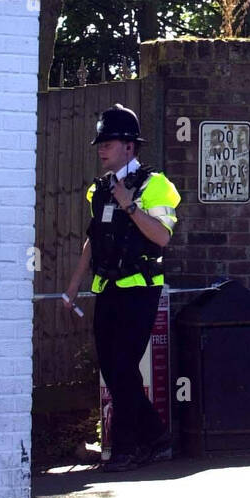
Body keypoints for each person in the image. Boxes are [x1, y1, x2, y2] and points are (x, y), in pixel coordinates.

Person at [64, 103, 181, 473]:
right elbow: (93, 240)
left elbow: (161, 237)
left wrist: (129, 205)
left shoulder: (157, 185)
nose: (102, 149)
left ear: (130, 146)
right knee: (113, 369)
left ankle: (129, 448)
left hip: (140, 289)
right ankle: (156, 437)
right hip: (108, 289)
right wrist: (72, 287)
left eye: (109, 142)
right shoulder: (98, 191)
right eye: (100, 143)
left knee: (123, 366)